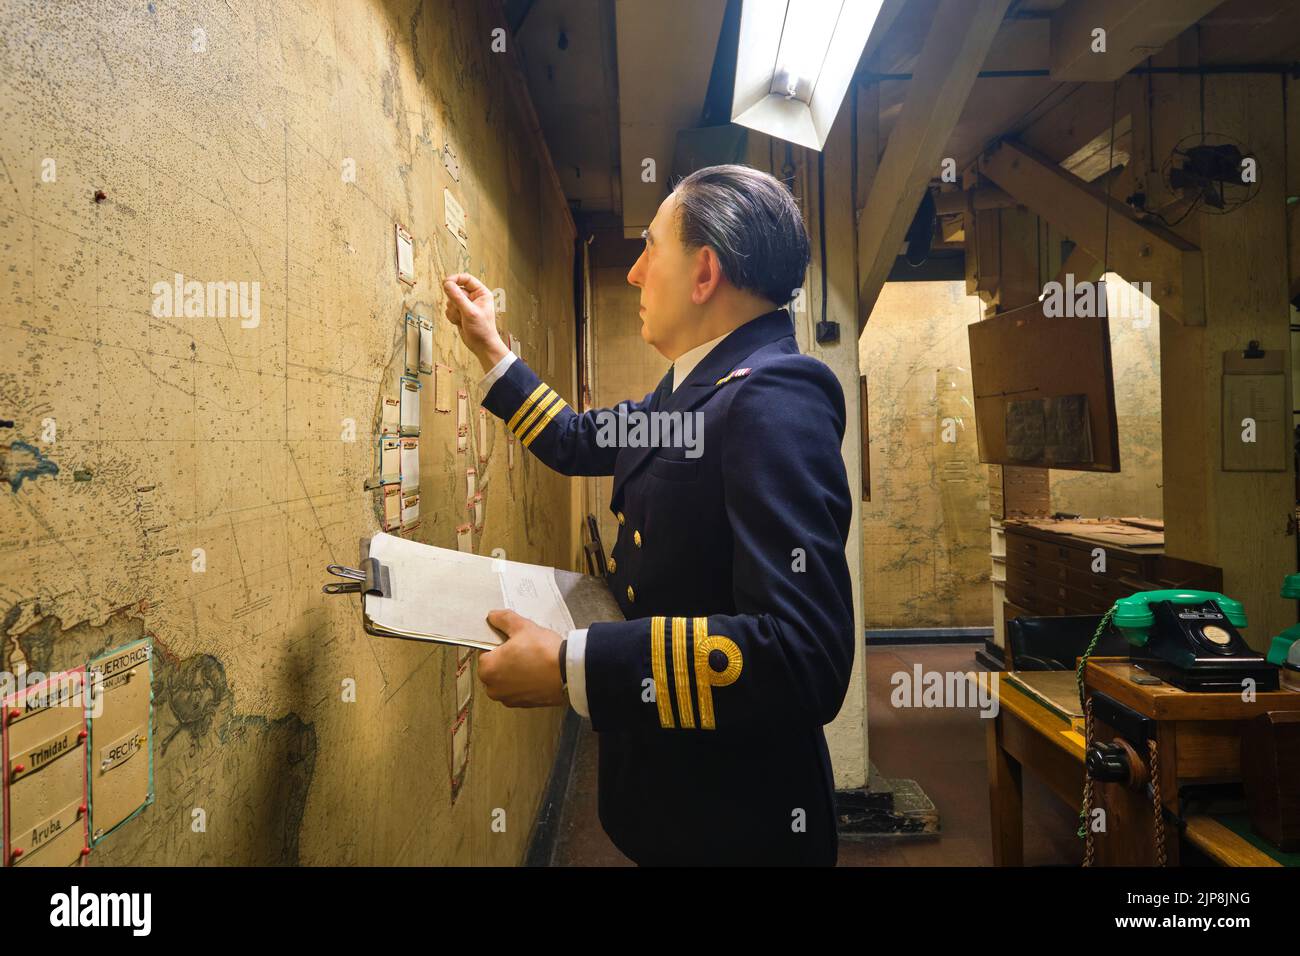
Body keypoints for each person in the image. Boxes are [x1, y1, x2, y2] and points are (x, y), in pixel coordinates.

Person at [442, 163, 855, 866]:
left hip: (740, 823)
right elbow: (577, 440)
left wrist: (577, 664)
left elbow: (804, 656)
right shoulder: (693, 392)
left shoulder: (772, 399)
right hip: (681, 801)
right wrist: (490, 345)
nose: (634, 273)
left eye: (649, 248)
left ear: (703, 274)